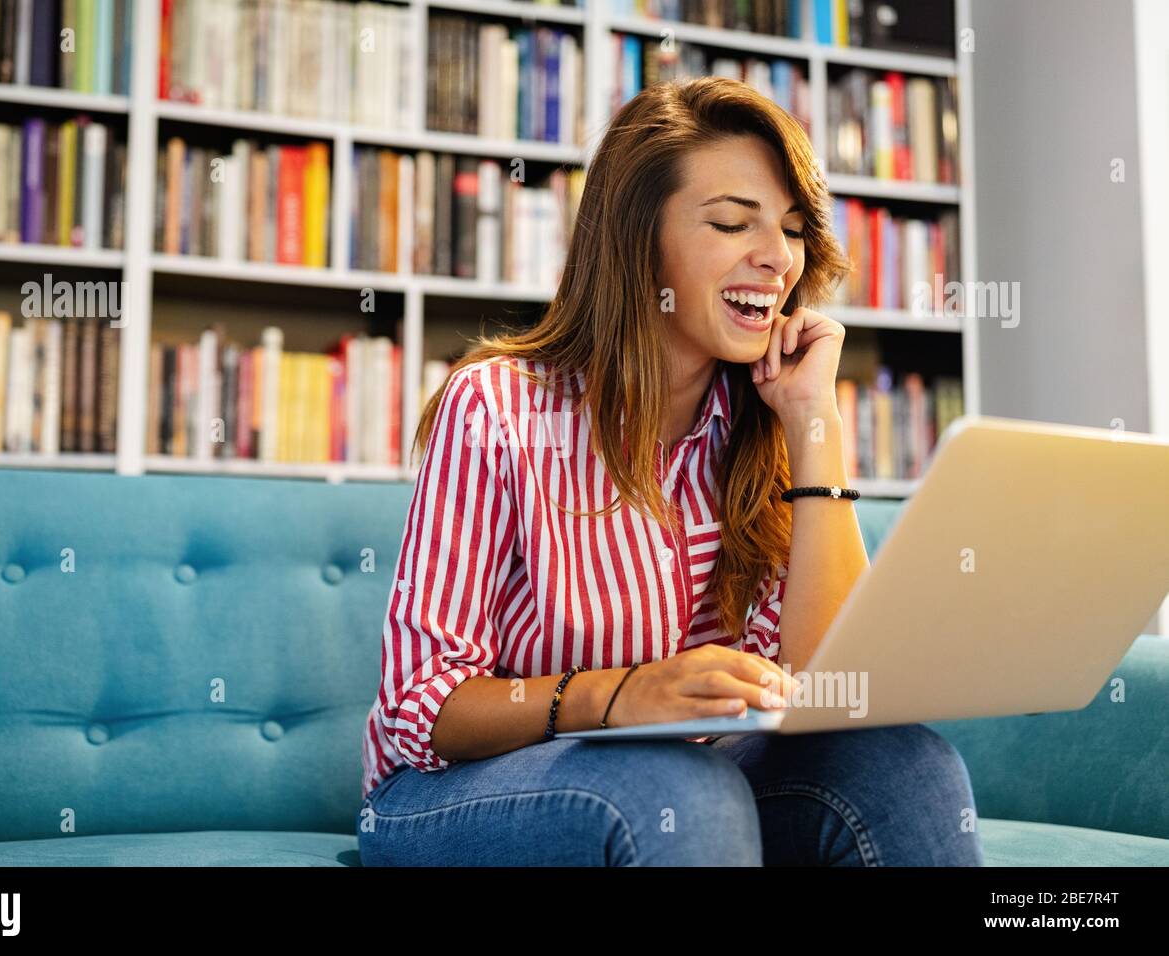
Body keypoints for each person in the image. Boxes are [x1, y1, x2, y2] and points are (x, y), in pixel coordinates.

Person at [355, 76, 983, 866]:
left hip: (694, 774)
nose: (777, 258)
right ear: (636, 240)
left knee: (901, 761)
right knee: (678, 788)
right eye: (731, 223)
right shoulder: (498, 407)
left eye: (791, 231)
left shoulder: (762, 423)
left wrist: (813, 422)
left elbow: (831, 689)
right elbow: (424, 705)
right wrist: (621, 695)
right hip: (452, 792)